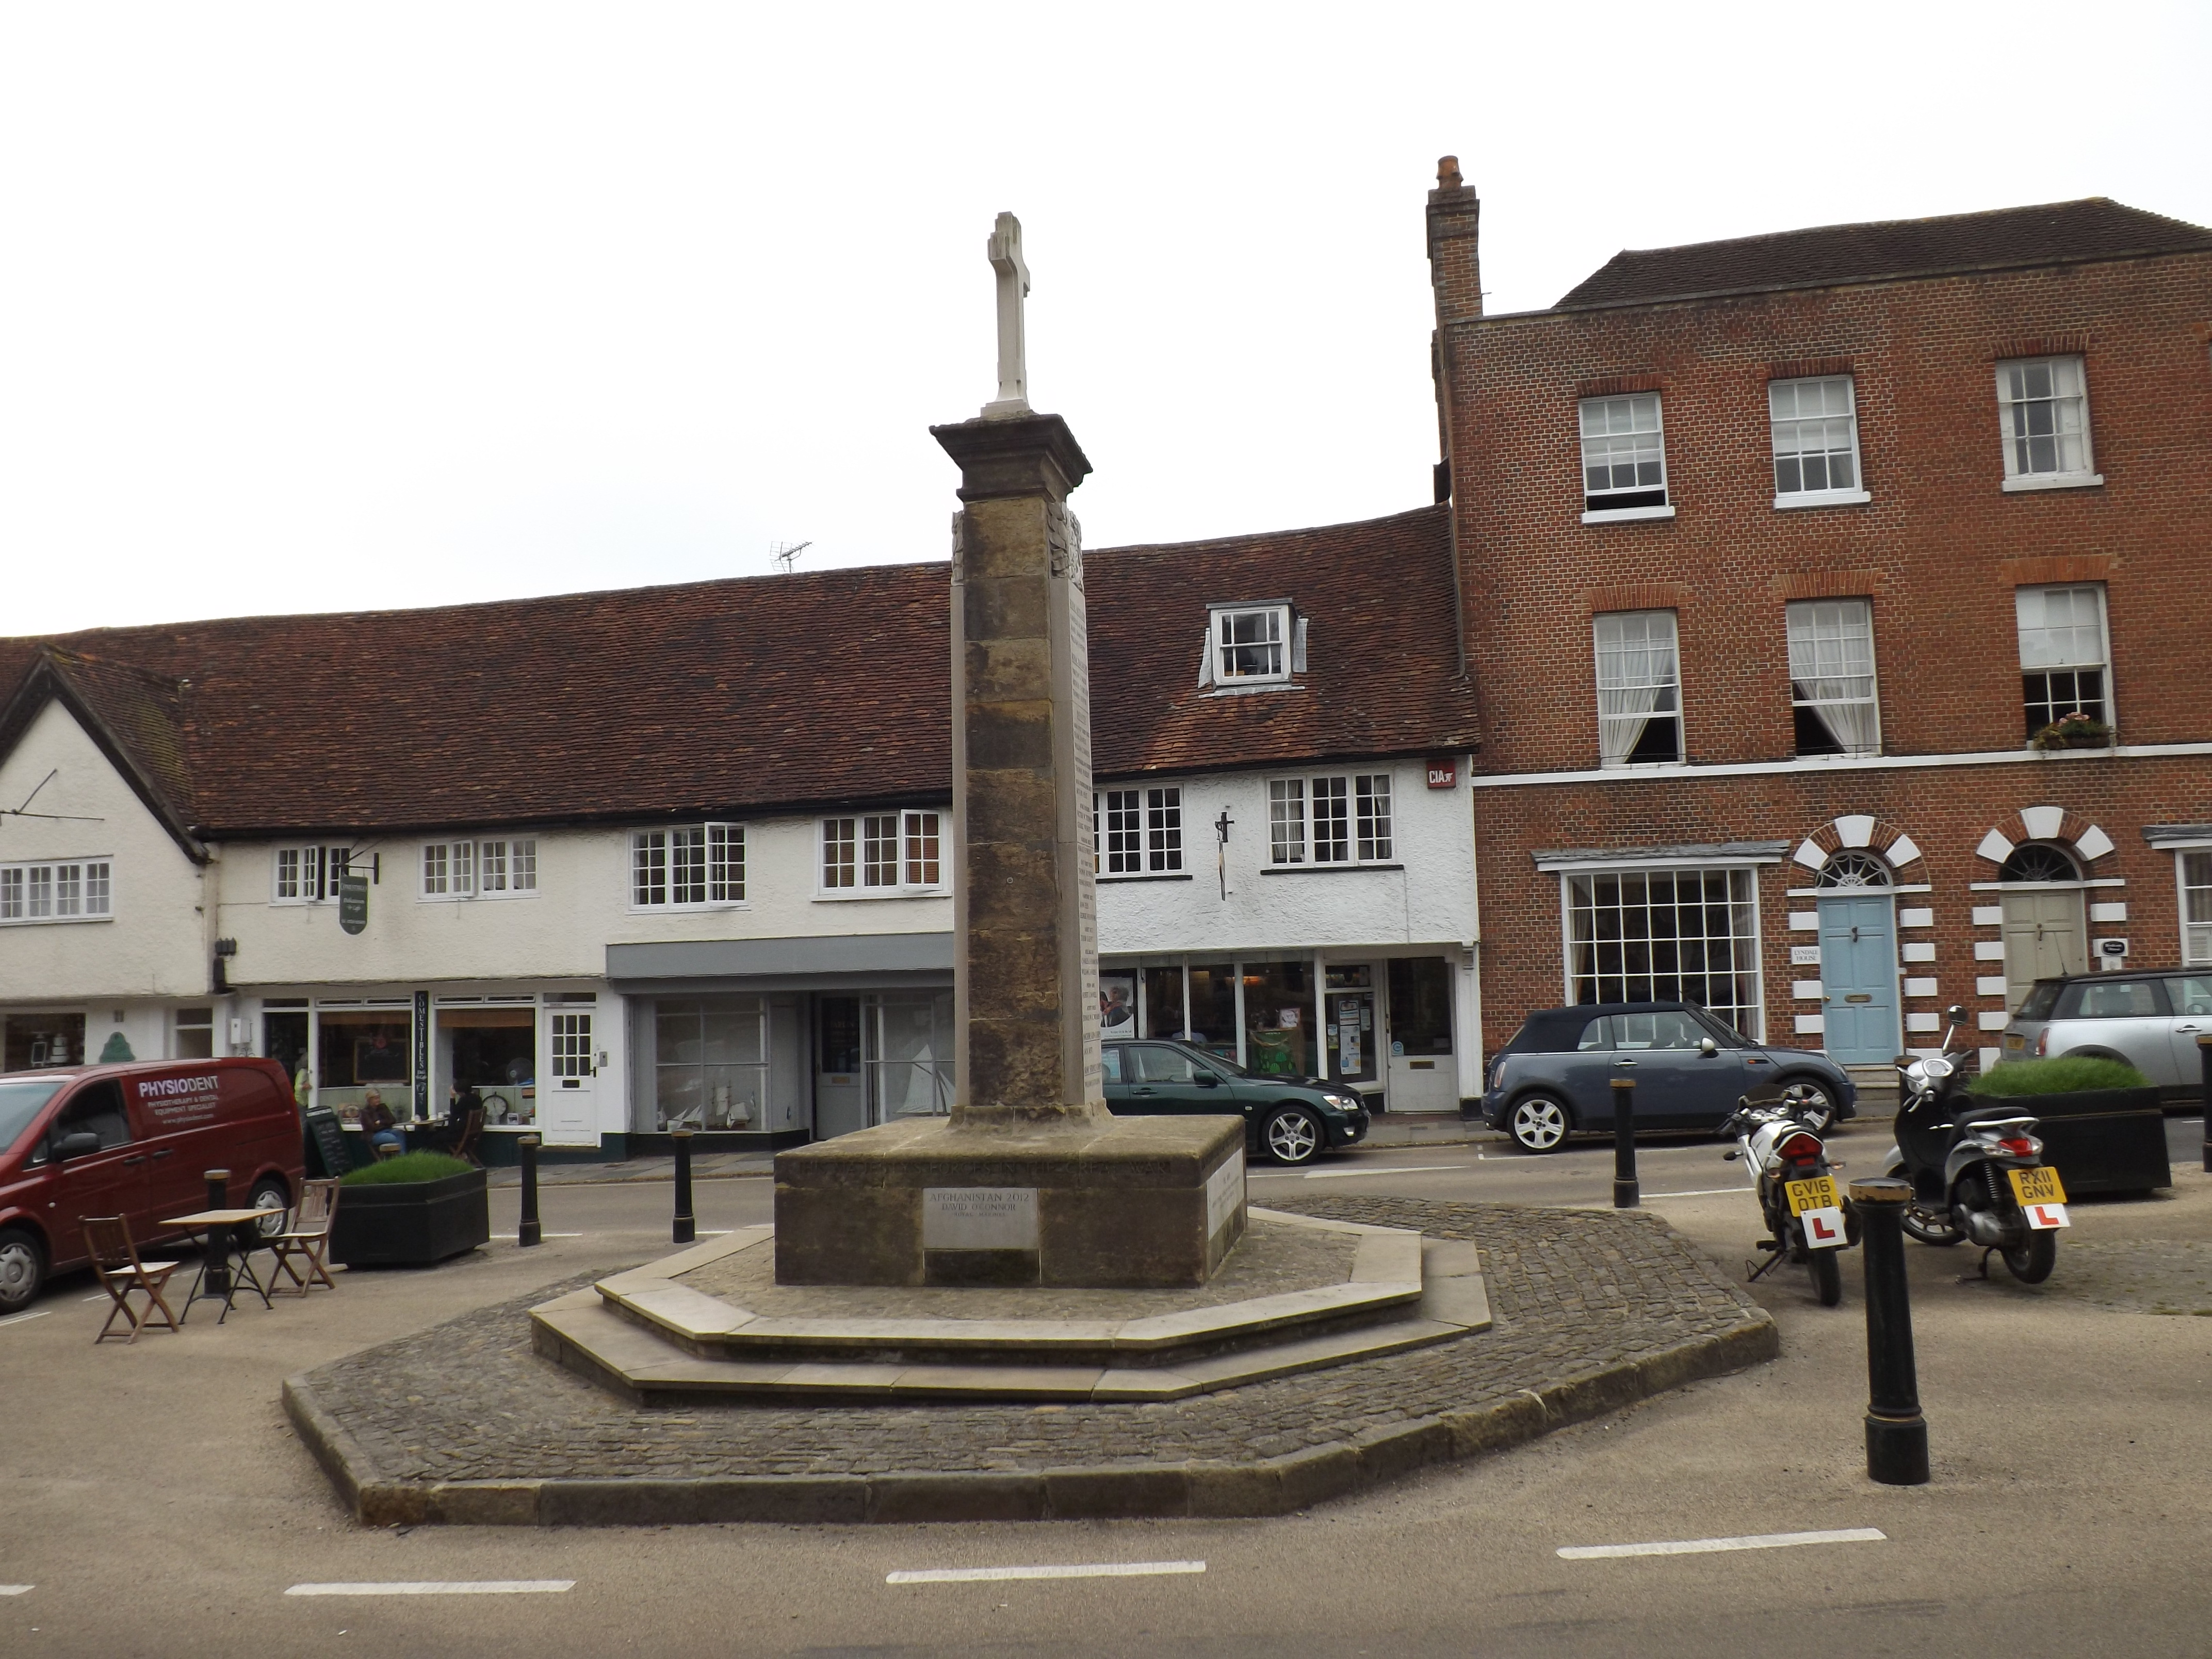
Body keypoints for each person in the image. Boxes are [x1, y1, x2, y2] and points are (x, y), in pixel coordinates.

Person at [359, 1089, 402, 1156]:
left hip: (387, 1130)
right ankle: (398, 1157)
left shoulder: (383, 1107)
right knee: (392, 1138)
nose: (378, 1100)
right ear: (370, 1100)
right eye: (376, 1099)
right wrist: (385, 1123)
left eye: (379, 1098)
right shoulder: (365, 1112)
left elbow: (393, 1120)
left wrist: (380, 1122)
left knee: (399, 1133)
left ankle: (403, 1157)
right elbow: (373, 1128)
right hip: (373, 1135)